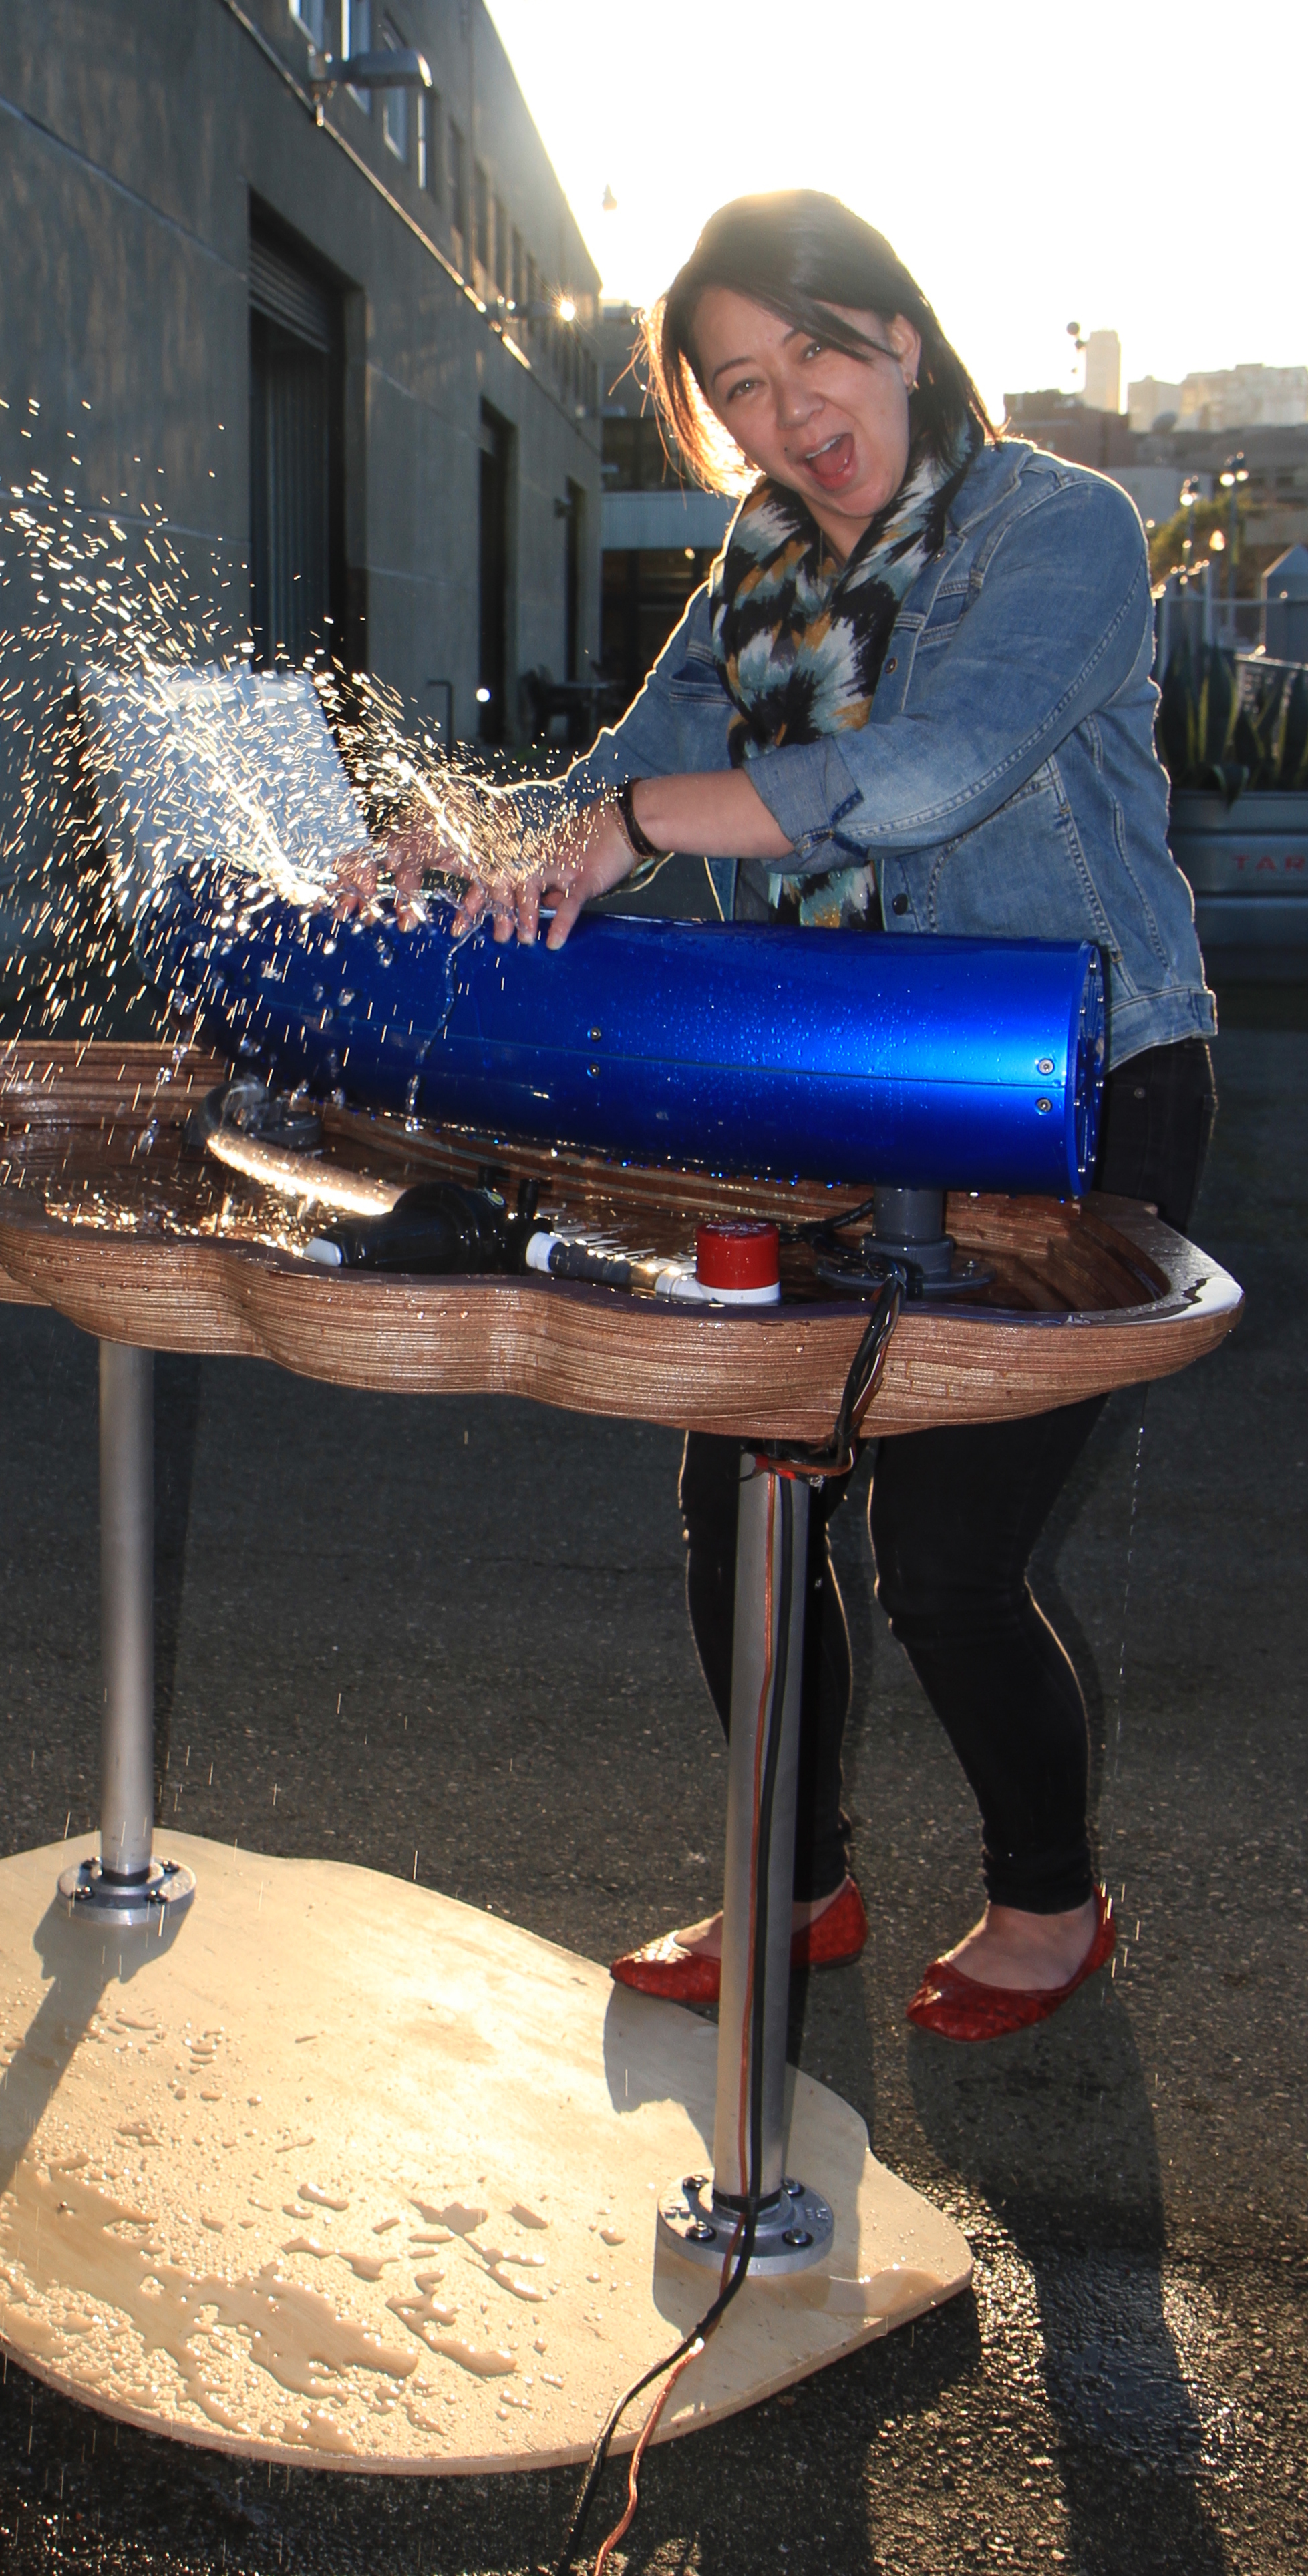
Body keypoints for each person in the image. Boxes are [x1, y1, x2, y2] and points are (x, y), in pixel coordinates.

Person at [378, 192, 1217, 2042]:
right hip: (826, 1084)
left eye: (817, 354)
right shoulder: (757, 571)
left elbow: (924, 776)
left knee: (946, 1557)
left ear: (899, 333)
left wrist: (644, 826)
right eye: (742, 389)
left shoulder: (1057, 527)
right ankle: (799, 1887)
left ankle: (1046, 1896)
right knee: (743, 1508)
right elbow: (613, 791)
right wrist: (464, 851)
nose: (793, 415)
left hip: (1075, 1085)